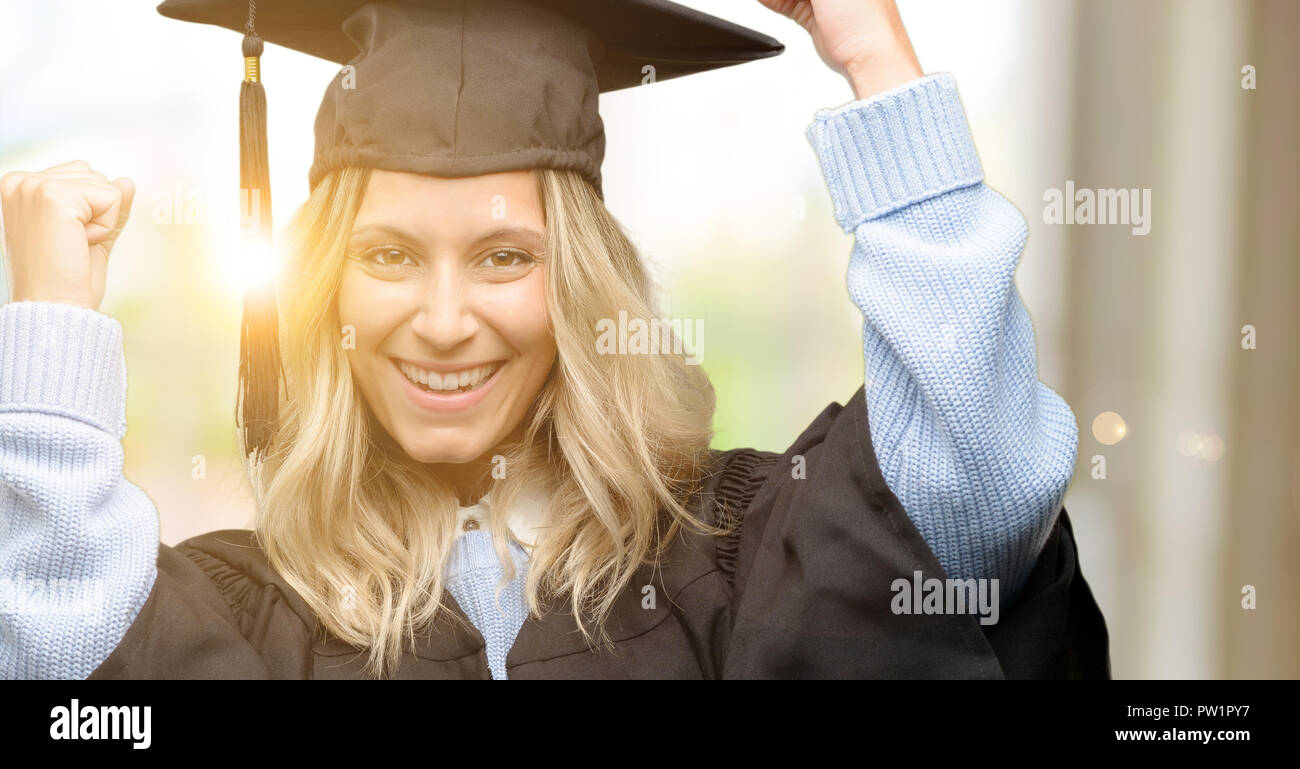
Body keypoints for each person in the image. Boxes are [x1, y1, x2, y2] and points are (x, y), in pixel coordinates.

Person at [0, 0, 1109, 679]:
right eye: (388, 255)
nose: (442, 320)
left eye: (503, 257)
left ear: (581, 286)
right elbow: (58, 659)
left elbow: (981, 481)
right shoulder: (252, 614)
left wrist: (878, 62)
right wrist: (52, 330)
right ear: (326, 290)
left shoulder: (736, 562)